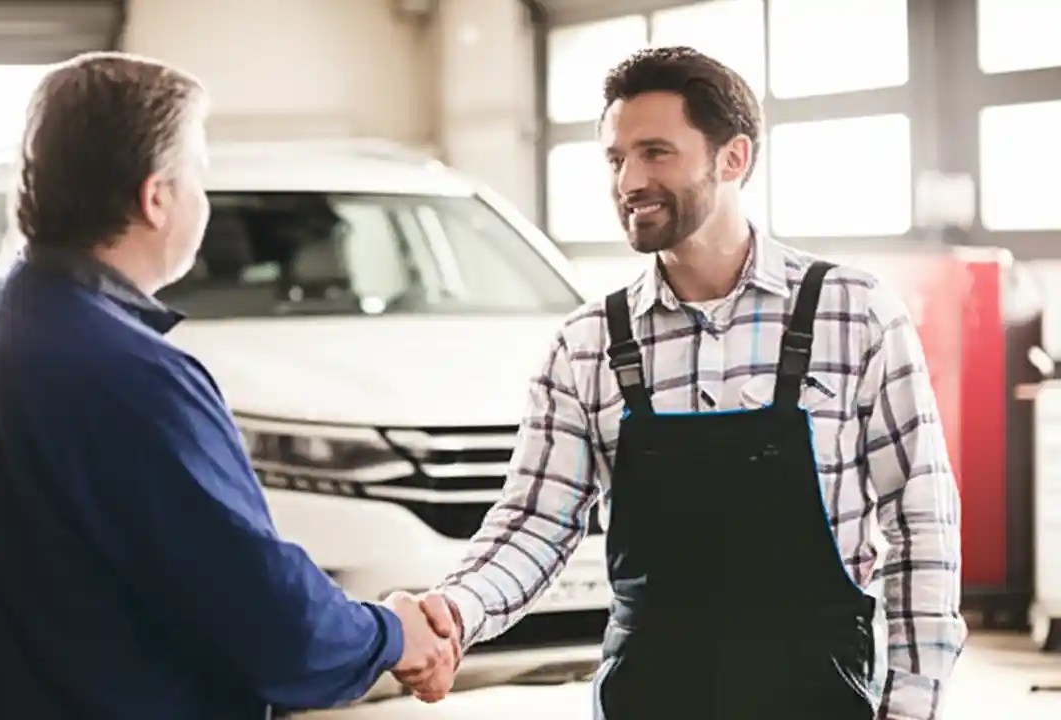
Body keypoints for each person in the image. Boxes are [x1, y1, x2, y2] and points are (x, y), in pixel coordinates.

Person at [400, 47, 967, 719]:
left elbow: (920, 521)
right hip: (651, 696)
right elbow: (534, 523)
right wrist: (454, 613)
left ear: (733, 159)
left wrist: (911, 704)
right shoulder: (587, 344)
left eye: (656, 152)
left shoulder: (854, 313)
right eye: (616, 159)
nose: (629, 180)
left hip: (817, 693)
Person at [0, 51, 455, 720]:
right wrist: (392, 633)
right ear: (156, 197)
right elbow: (272, 626)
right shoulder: (131, 377)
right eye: (200, 174)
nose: (205, 197)